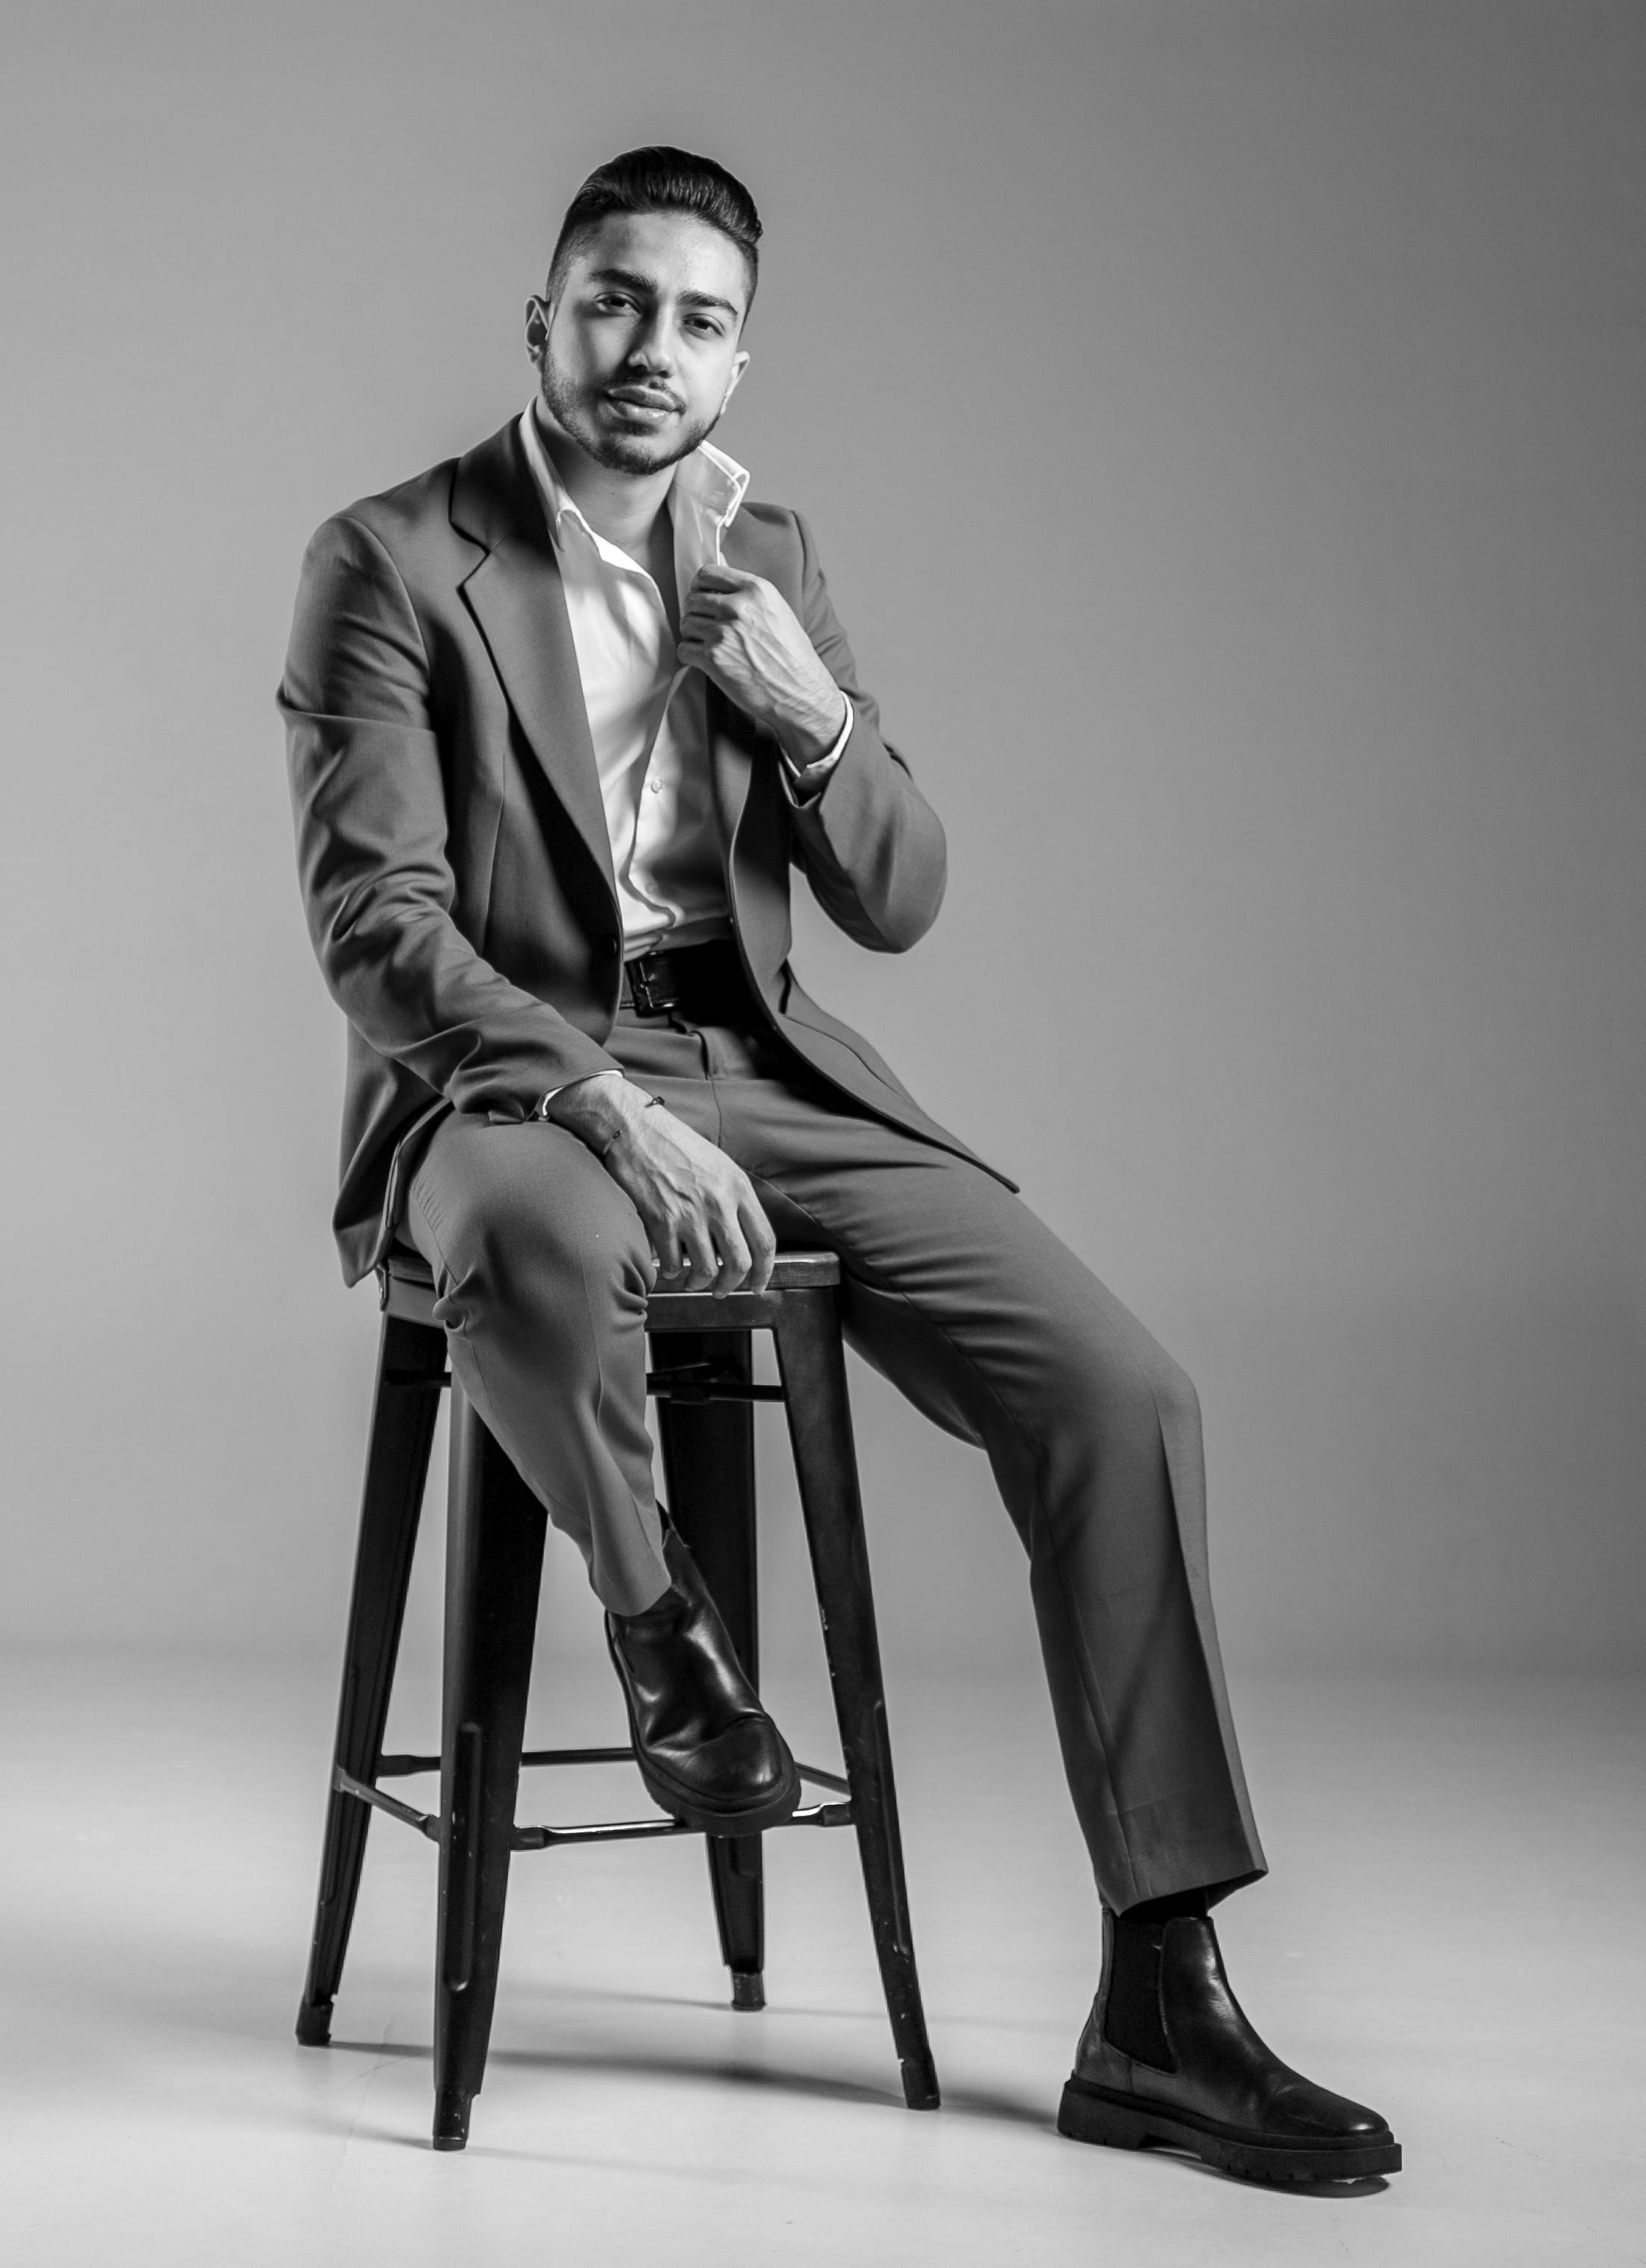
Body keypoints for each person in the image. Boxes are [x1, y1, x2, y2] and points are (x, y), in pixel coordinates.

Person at [278, 145, 1399, 2186]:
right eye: (617, 300)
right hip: (508, 1082)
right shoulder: (392, 558)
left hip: (767, 1064)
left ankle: (1162, 1995)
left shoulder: (767, 546)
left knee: (1123, 1395)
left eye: (700, 319)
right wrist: (595, 1097)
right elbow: (377, 924)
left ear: (742, 359)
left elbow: (900, 893)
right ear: (543, 319)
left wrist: (810, 718)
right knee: (536, 1249)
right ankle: (666, 1638)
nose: (654, 347)